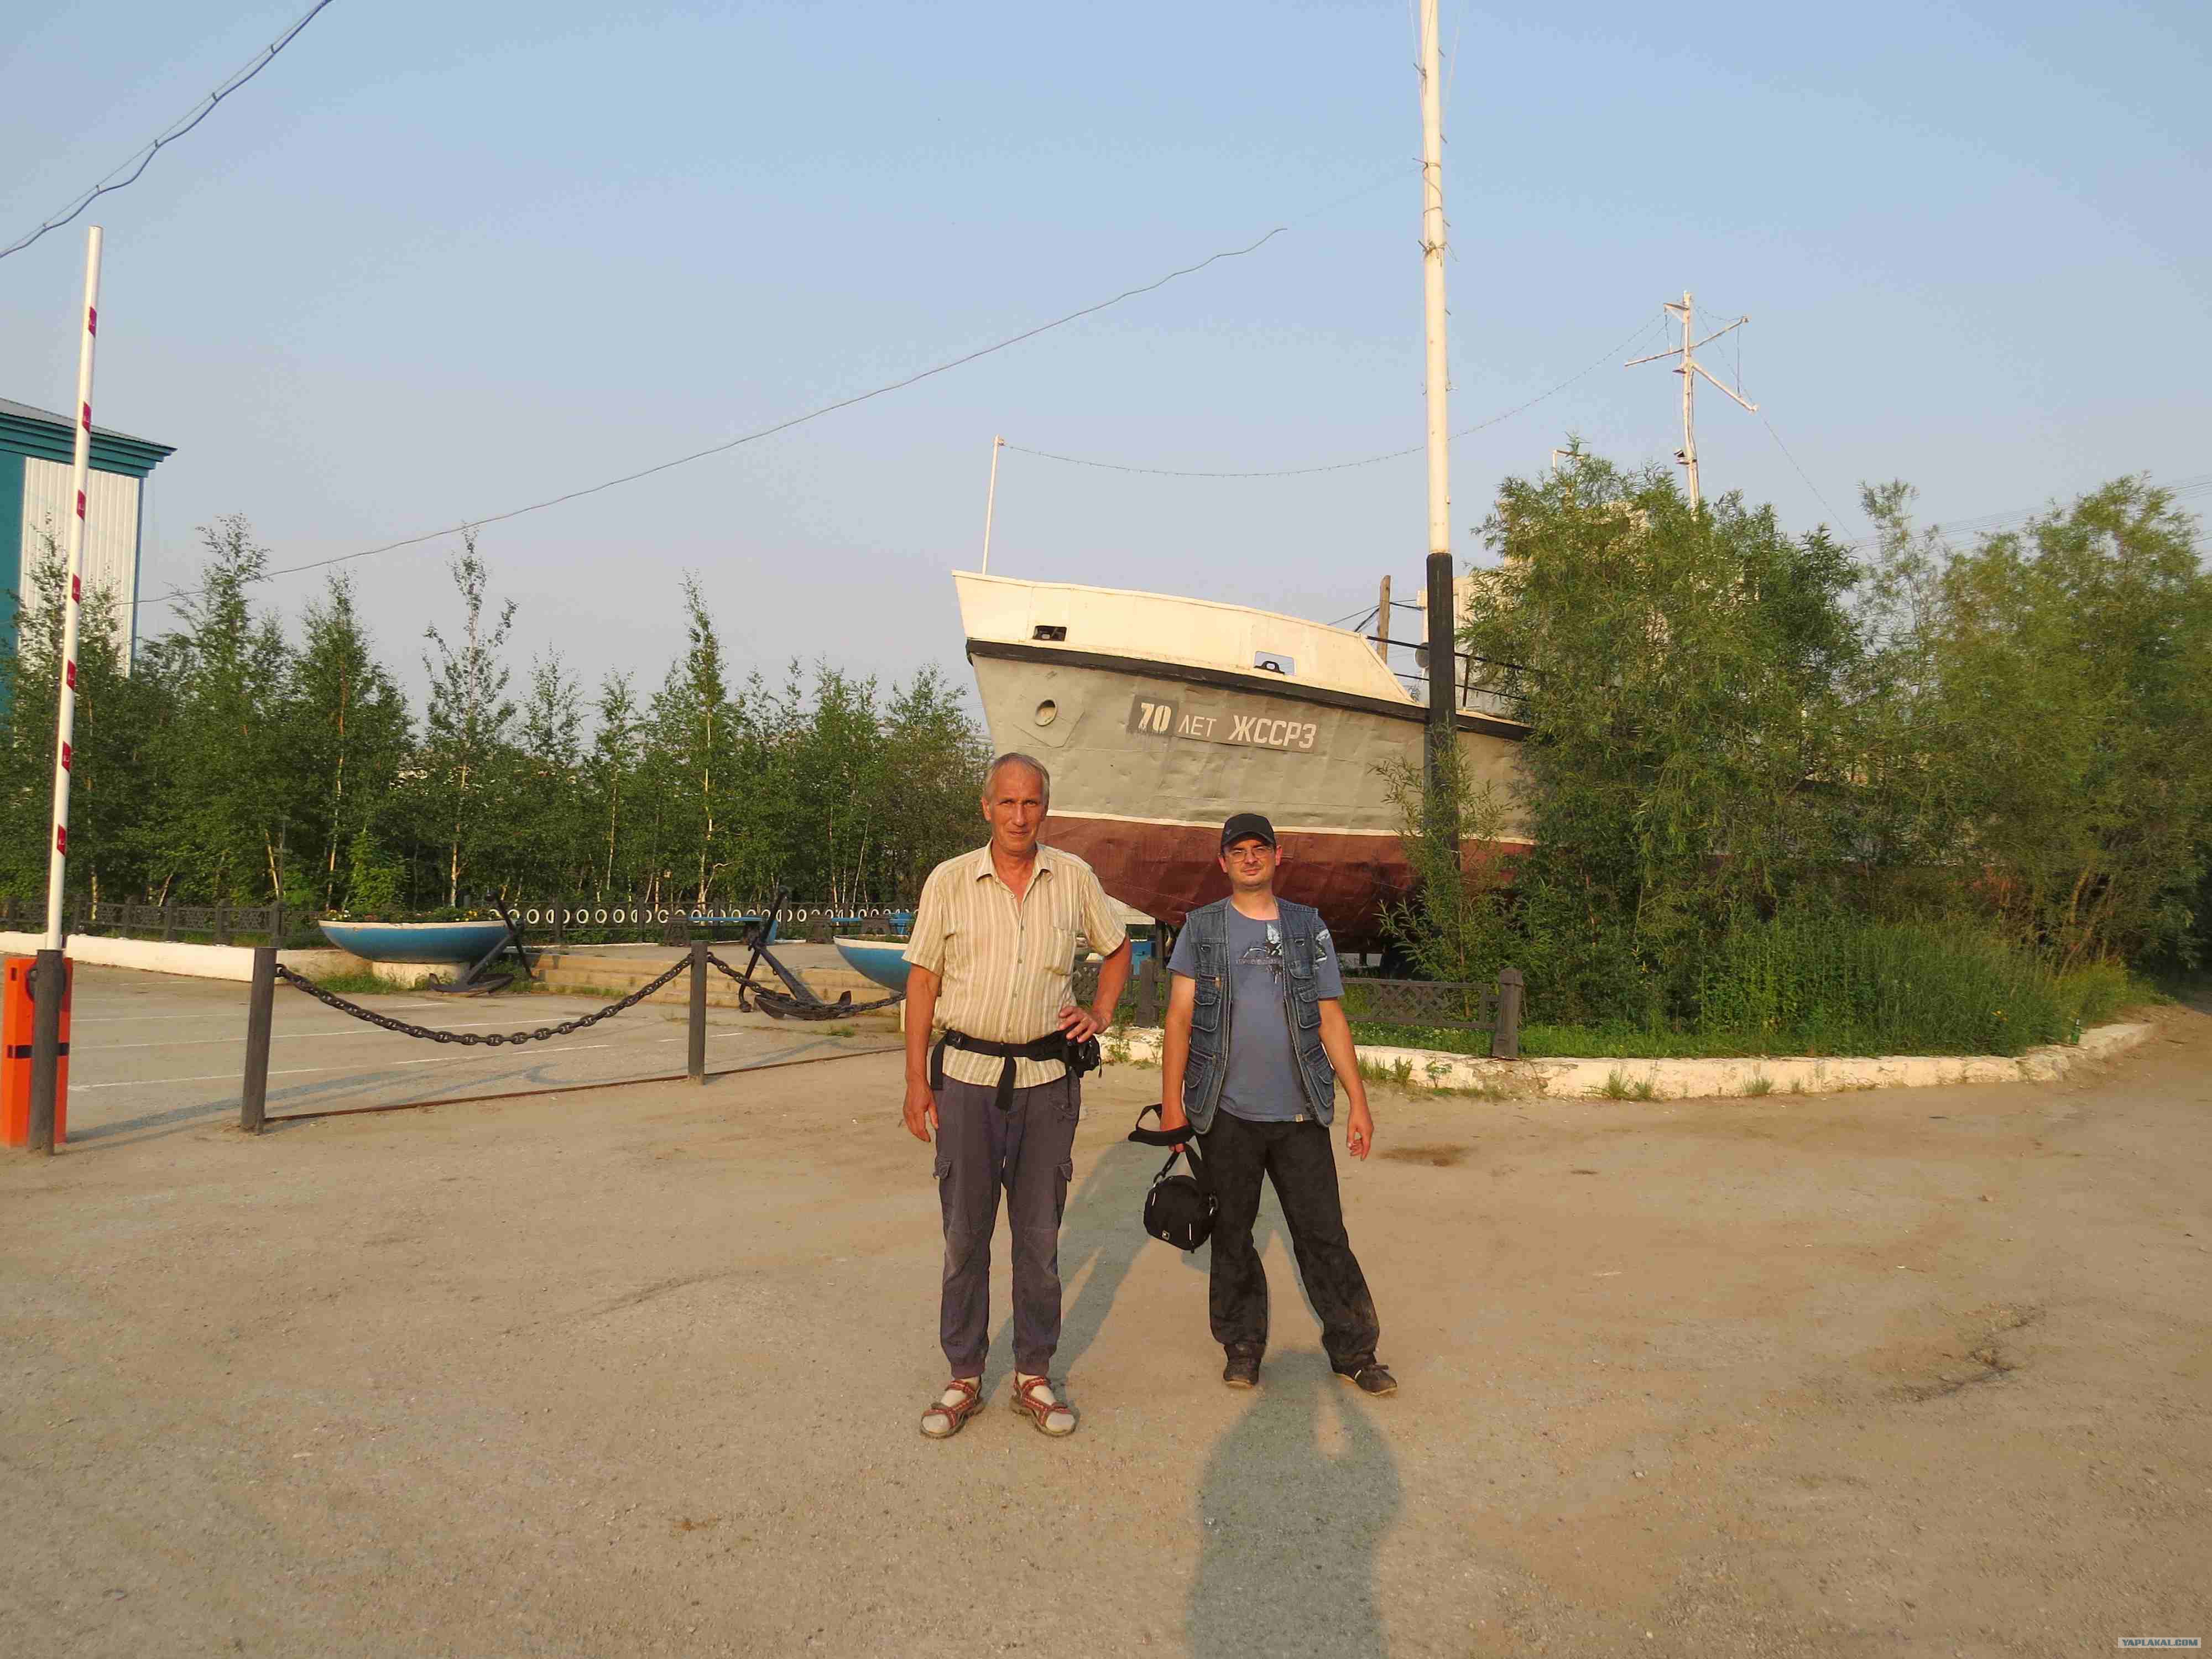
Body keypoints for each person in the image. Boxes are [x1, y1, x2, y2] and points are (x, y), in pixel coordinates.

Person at [901, 752, 1133, 1440]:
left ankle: (1033, 1373)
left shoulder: (1074, 878)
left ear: (1045, 809)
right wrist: (915, 1082)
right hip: (966, 1082)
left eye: (1031, 802)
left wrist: (1101, 1013)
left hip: (1046, 1085)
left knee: (1037, 1238)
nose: (1019, 815)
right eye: (1006, 802)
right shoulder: (949, 881)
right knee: (964, 1234)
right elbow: (922, 981)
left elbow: (1118, 948)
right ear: (986, 808)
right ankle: (963, 1375)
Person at [1156, 812, 1395, 1395]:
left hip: (1300, 1113)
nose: (1249, 858)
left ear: (1276, 856)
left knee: (1324, 1236)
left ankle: (1355, 1352)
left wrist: (1358, 1103)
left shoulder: (1307, 927)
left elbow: (1331, 1017)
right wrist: (1172, 1107)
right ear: (1223, 862)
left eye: (1259, 848)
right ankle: (1242, 1347)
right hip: (1225, 1112)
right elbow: (1179, 1019)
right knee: (1232, 1235)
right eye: (1237, 850)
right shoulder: (1202, 928)